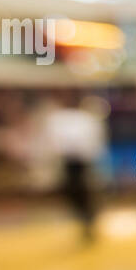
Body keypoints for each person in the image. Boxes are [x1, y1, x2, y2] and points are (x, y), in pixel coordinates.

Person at [45, 93, 105, 244]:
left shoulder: (82, 120)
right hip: (71, 162)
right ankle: (86, 220)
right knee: (75, 193)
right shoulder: (64, 119)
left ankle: (88, 221)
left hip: (82, 162)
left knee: (84, 193)